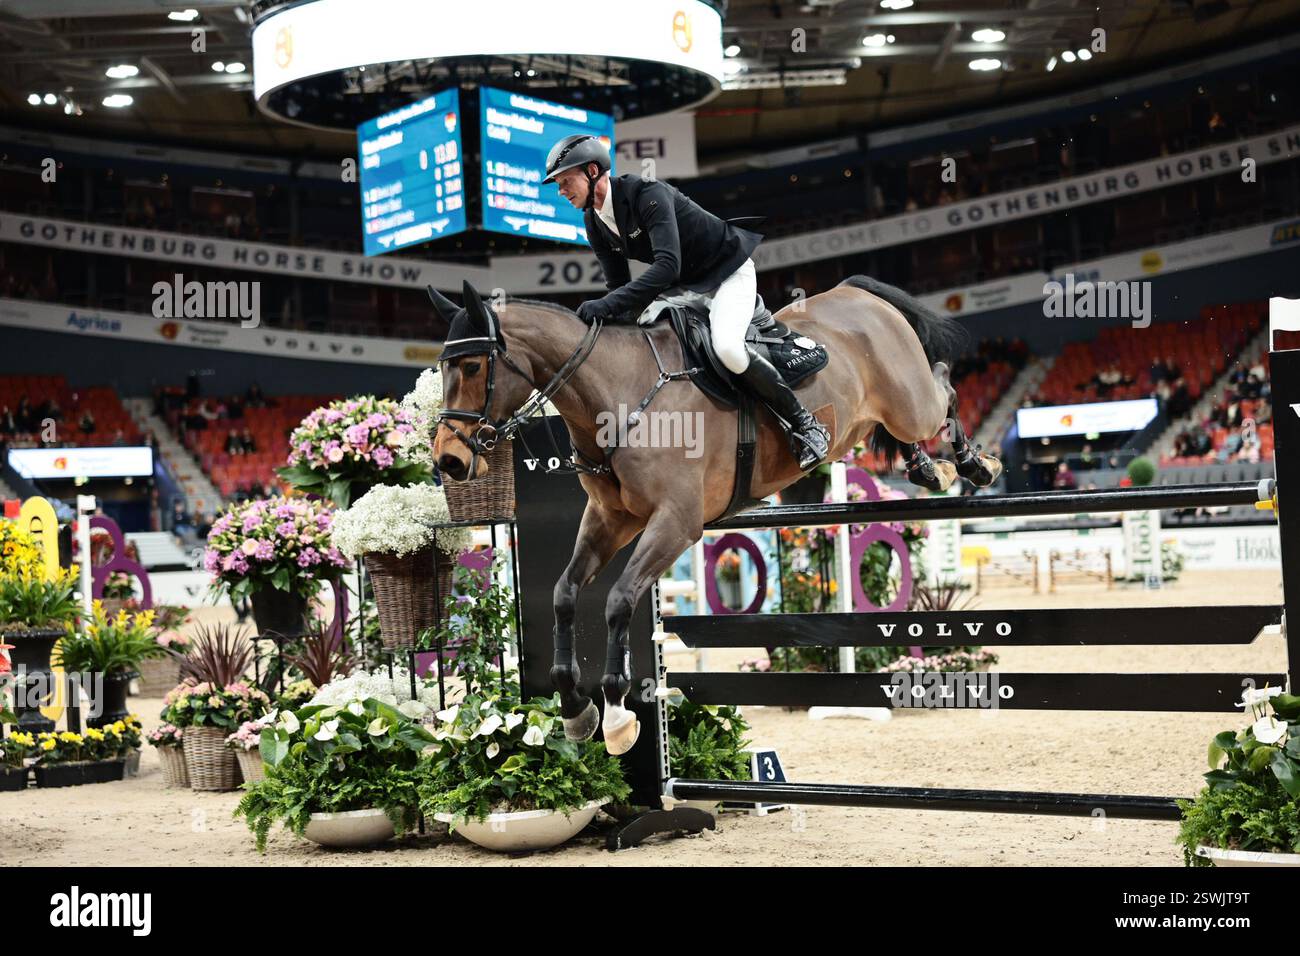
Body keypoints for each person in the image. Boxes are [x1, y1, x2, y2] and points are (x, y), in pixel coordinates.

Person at [543, 133, 830, 471]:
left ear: (592, 171)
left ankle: (806, 425)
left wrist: (605, 305)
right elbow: (617, 285)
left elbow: (667, 266)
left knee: (727, 348)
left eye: (565, 181)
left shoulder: (647, 194)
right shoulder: (593, 220)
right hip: (687, 288)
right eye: (559, 184)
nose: (561, 190)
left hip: (727, 273)